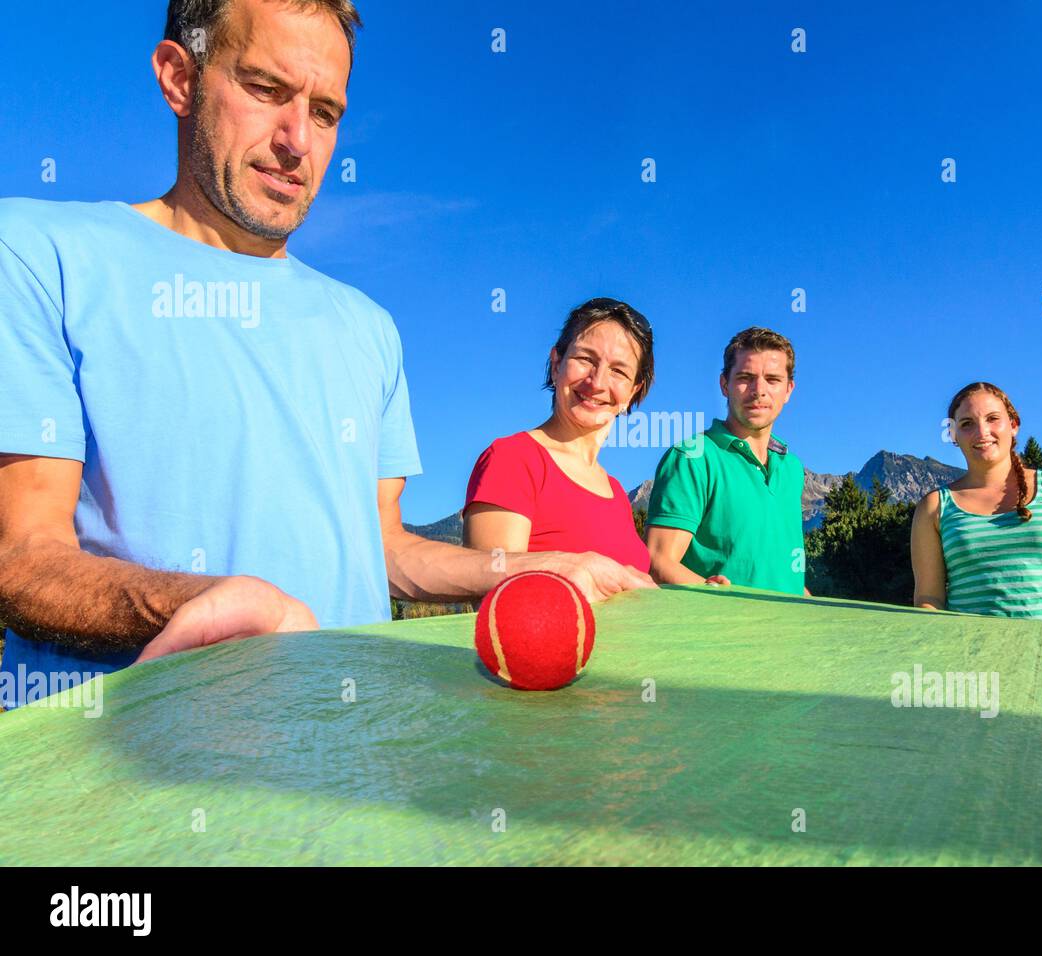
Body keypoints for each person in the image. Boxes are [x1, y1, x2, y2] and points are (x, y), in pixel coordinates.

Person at [0, 0, 648, 709]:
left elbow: (387, 548)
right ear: (178, 77)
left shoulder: (369, 328)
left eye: (326, 112)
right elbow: (22, 556)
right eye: (264, 89)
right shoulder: (36, 254)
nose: (297, 140)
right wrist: (211, 601)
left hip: (348, 771)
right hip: (116, 775)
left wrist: (541, 566)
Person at [463, 299, 654, 574]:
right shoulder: (513, 459)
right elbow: (495, 590)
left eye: (618, 371)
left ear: (634, 392)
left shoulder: (616, 493)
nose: (597, 382)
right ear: (556, 365)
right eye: (585, 359)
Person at [911, 382, 1042, 620]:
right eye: (967, 424)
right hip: (970, 654)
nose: (982, 432)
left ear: (1013, 425)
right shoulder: (934, 507)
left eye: (993, 418)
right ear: (953, 435)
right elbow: (929, 598)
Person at [645, 327, 808, 596]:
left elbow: (780, 576)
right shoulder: (692, 456)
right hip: (719, 634)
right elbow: (657, 560)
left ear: (789, 389)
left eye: (772, 379)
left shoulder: (793, 468)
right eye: (746, 377)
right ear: (724, 384)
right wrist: (715, 595)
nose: (759, 391)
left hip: (790, 634)